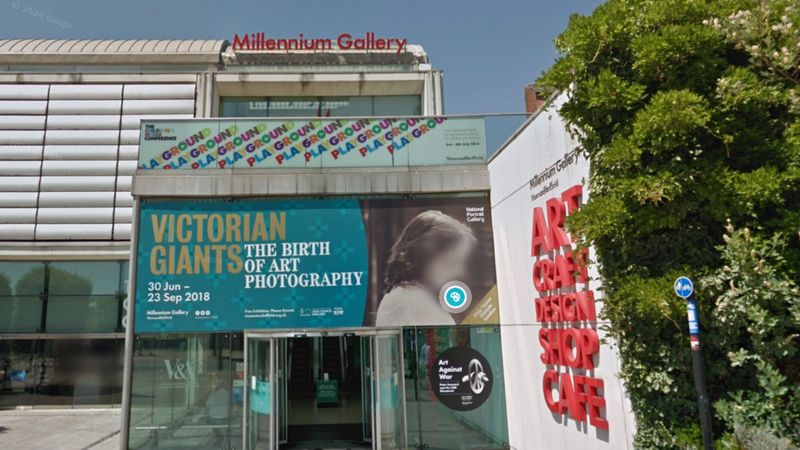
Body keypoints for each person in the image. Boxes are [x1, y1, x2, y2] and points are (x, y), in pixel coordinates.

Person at [376, 210, 477, 326]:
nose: (459, 272)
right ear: (423, 256)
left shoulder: (405, 295)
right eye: (450, 262)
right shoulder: (413, 301)